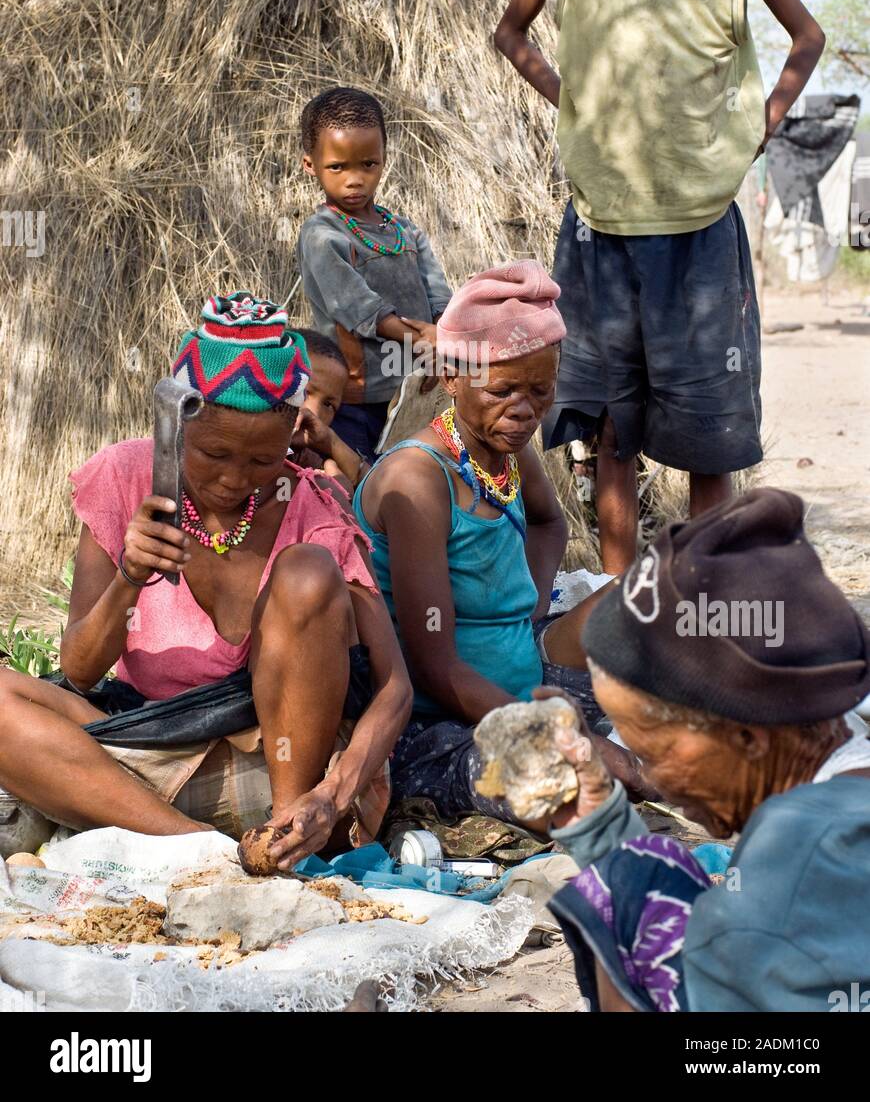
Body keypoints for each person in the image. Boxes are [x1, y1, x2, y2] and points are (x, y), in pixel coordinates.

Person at [494, 0, 826, 575]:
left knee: (711, 437)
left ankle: (701, 595)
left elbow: (806, 36)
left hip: (700, 229)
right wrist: (569, 99)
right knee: (612, 431)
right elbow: (511, 31)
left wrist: (762, 123)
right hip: (602, 228)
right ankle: (618, 600)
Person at [0, 294, 412, 870]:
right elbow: (79, 670)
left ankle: (281, 838)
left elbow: (396, 687)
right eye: (214, 453)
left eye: (263, 461)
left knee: (307, 572)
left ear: (291, 438)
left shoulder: (313, 507)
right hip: (150, 749)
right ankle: (203, 849)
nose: (234, 479)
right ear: (177, 428)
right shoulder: (124, 476)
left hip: (274, 765)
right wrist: (130, 577)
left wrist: (329, 797)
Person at [529, 488, 870, 1012]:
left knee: (630, 889)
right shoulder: (837, 731)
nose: (655, 782)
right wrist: (601, 826)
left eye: (656, 753)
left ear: (748, 735)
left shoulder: (800, 851)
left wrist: (614, 885)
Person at [353, 260, 647, 820]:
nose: (525, 409)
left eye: (541, 391)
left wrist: (530, 607)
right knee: (573, 792)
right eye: (504, 389)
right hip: (443, 727)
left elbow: (548, 523)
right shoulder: (417, 480)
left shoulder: (506, 450)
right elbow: (435, 670)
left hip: (528, 673)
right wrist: (570, 739)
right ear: (452, 377)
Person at [296, 86, 452, 463]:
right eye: (337, 167)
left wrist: (444, 336)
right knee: (359, 487)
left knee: (416, 482)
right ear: (310, 165)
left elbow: (439, 297)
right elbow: (363, 310)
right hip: (359, 399)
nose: (355, 179)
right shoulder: (322, 235)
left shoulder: (404, 231)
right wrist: (426, 341)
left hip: (417, 388)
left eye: (368, 164)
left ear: (383, 159)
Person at [290, 327, 370, 488]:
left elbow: (376, 488)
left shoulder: (315, 462)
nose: (314, 412)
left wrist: (331, 442)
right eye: (305, 391)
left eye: (328, 405)